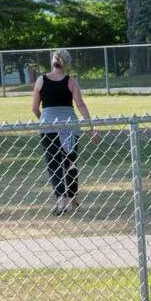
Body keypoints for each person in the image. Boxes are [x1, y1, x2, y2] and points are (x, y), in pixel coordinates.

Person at [31, 49, 94, 215]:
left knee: (54, 164)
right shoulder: (70, 81)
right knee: (70, 163)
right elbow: (80, 105)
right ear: (67, 64)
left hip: (48, 128)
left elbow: (34, 108)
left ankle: (61, 200)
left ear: (53, 62)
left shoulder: (40, 80)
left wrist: (45, 120)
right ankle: (73, 199)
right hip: (69, 127)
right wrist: (91, 127)